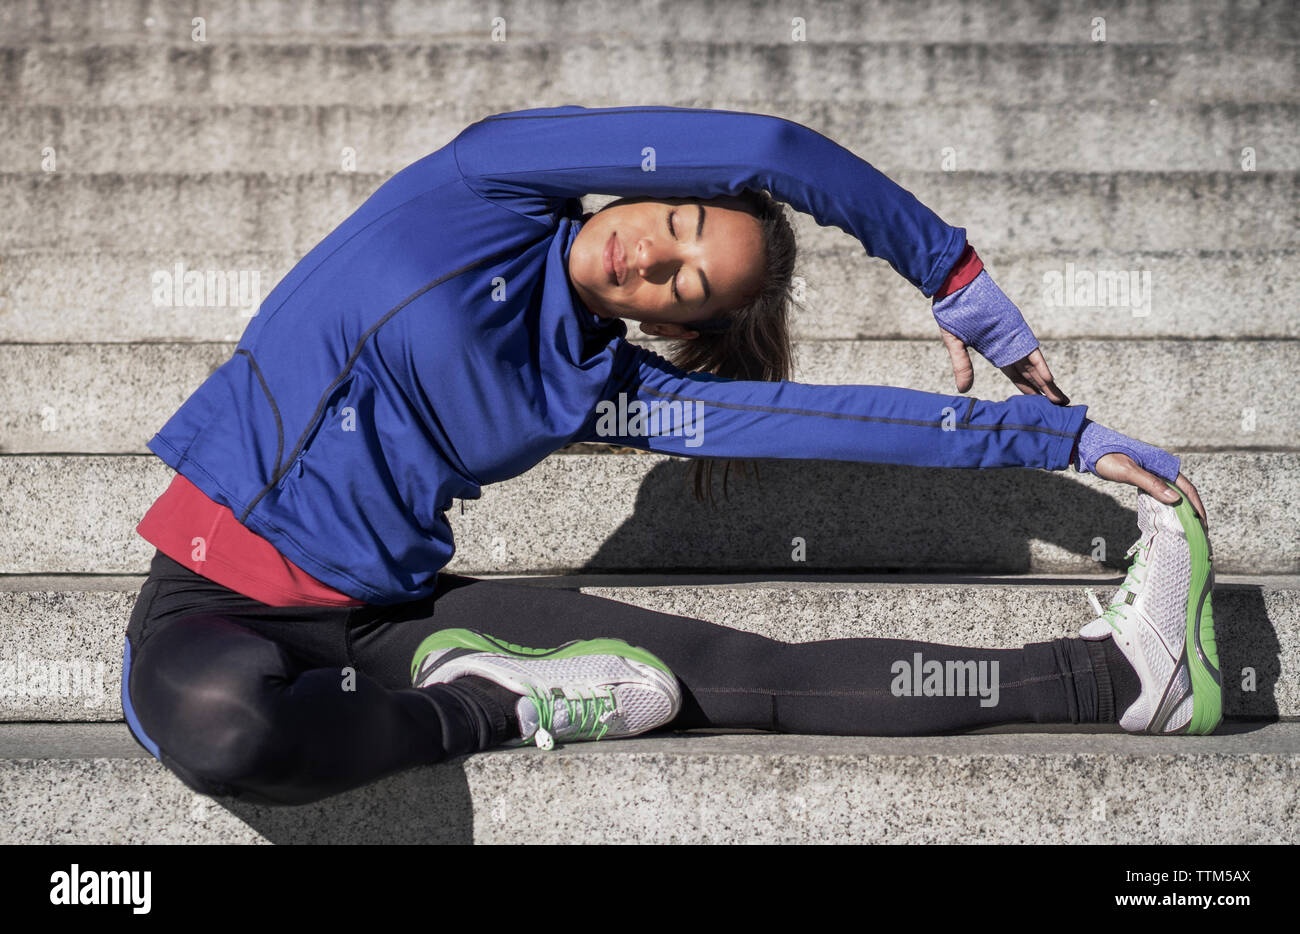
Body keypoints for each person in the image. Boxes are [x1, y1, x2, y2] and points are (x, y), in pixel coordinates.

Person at [122, 105, 1221, 807]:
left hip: (392, 618)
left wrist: (1065, 435)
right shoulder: (485, 185)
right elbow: (773, 150)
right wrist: (948, 270)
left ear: (673, 323)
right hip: (211, 601)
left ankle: (1117, 678)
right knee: (225, 724)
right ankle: (500, 707)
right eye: (679, 218)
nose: (651, 255)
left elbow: (831, 421)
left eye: (683, 285)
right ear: (646, 181)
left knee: (757, 676)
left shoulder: (604, 387)